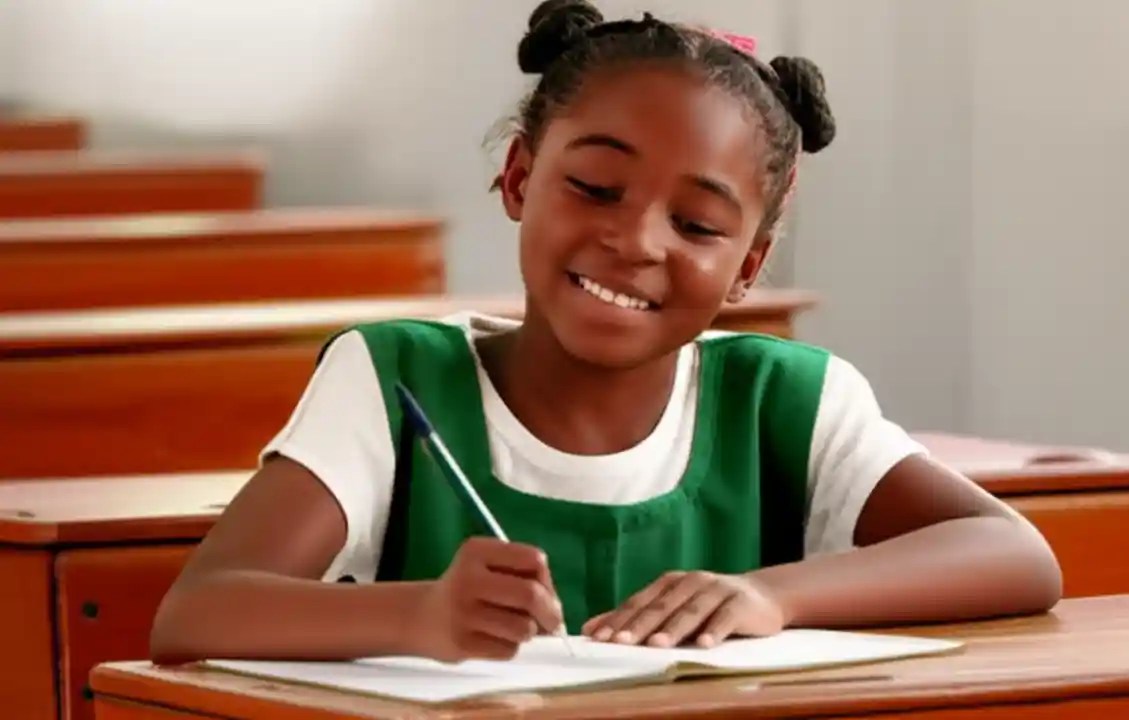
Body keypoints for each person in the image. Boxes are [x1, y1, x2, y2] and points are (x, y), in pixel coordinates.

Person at [150, 0, 1061, 665]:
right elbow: (198, 613)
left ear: (749, 265)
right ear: (517, 178)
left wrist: (769, 595)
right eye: (594, 188)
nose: (634, 242)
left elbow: (1015, 555)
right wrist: (417, 616)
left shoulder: (785, 400)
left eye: (700, 227)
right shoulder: (392, 379)